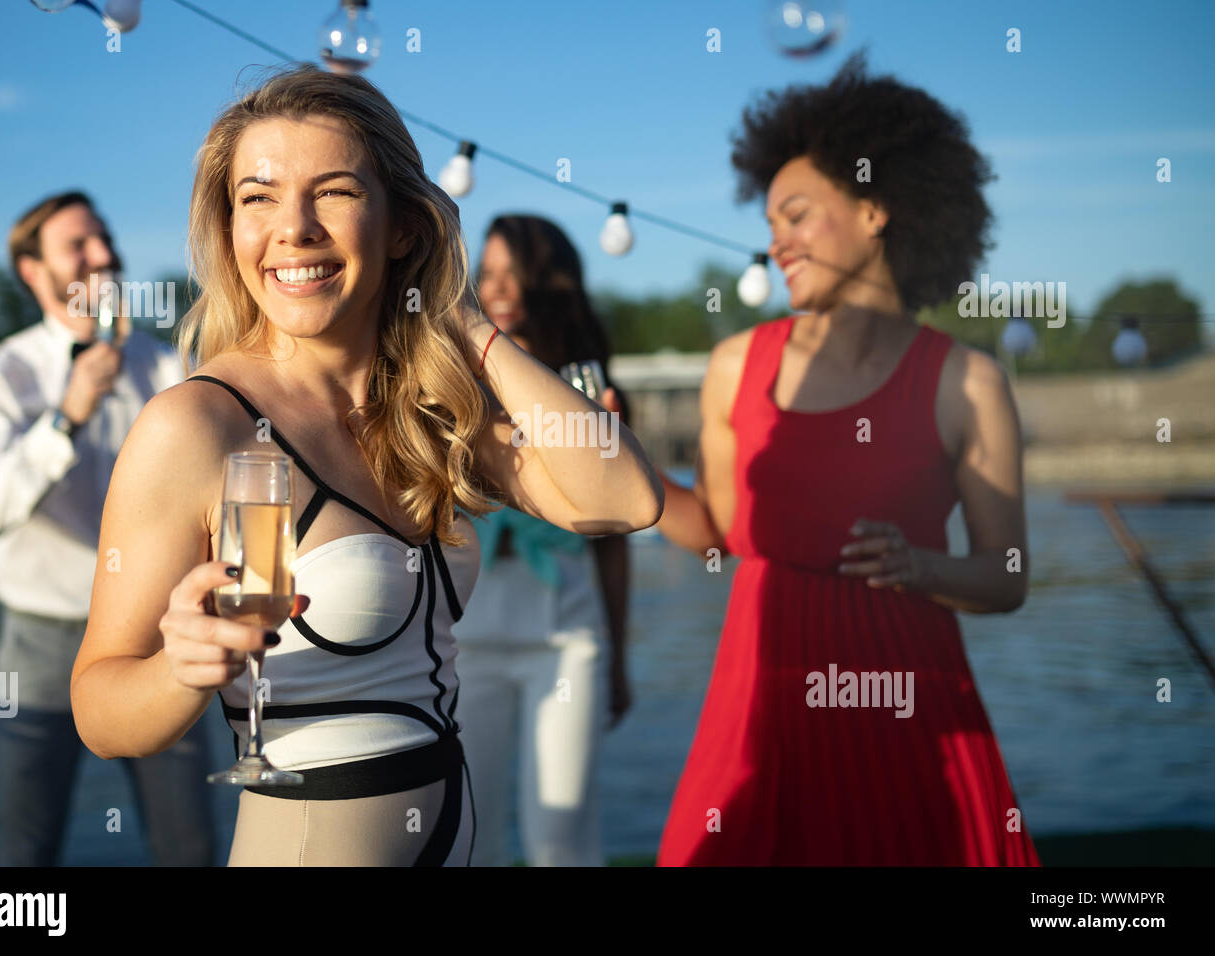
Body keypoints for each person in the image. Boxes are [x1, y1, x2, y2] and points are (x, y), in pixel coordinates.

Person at [68, 66, 663, 867]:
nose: (295, 227)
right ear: (229, 227)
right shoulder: (194, 425)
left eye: (336, 192)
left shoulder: (428, 411)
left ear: (403, 227)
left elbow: (624, 499)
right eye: (258, 197)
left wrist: (466, 320)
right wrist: (181, 668)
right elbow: (99, 709)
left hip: (453, 835)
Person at [654, 53, 1040, 866]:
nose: (776, 243)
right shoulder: (734, 366)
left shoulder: (966, 381)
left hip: (909, 712)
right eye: (768, 226)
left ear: (875, 208)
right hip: (755, 701)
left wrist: (919, 566)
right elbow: (719, 535)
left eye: (797, 215)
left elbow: (1005, 576)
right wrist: (623, 466)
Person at [0, 191, 215, 866]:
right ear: (31, 271)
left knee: (189, 845)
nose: (103, 255)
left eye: (104, 238)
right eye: (78, 245)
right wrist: (65, 417)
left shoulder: (166, 368)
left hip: (157, 638)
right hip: (39, 644)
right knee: (26, 853)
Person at [452, 215, 631, 866]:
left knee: (562, 838)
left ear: (545, 282)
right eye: (487, 273)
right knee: (470, 834)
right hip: (465, 643)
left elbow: (615, 538)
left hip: (567, 637)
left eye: (512, 273)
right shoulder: (449, 381)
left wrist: (619, 655)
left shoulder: (585, 388)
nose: (496, 288)